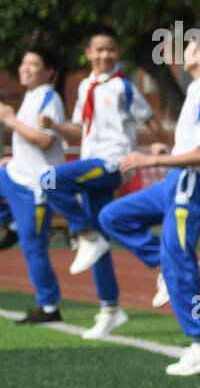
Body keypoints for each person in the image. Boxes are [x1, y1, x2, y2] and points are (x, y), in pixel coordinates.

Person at [98, 39, 200, 375]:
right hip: (177, 184)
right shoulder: (199, 91)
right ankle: (164, 263)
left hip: (192, 188)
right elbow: (193, 148)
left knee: (183, 269)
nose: (181, 54)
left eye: (188, 48)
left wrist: (149, 159)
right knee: (112, 216)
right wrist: (167, 150)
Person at [41, 25, 171, 339]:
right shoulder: (85, 87)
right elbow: (81, 130)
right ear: (87, 53)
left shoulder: (124, 87)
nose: (104, 55)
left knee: (50, 180)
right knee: (98, 241)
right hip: (92, 162)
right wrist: (55, 126)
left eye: (110, 49)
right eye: (98, 50)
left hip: (113, 162)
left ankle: (84, 232)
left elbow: (150, 119)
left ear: (118, 52)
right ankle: (110, 308)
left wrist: (171, 149)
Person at [0, 46, 66, 322]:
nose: (25, 68)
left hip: (37, 185)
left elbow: (45, 141)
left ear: (49, 71)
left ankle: (49, 307)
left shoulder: (49, 98)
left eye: (34, 64)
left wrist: (10, 120)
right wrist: (11, 158)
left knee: (33, 247)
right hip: (16, 174)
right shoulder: (31, 96)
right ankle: (10, 223)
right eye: (24, 63)